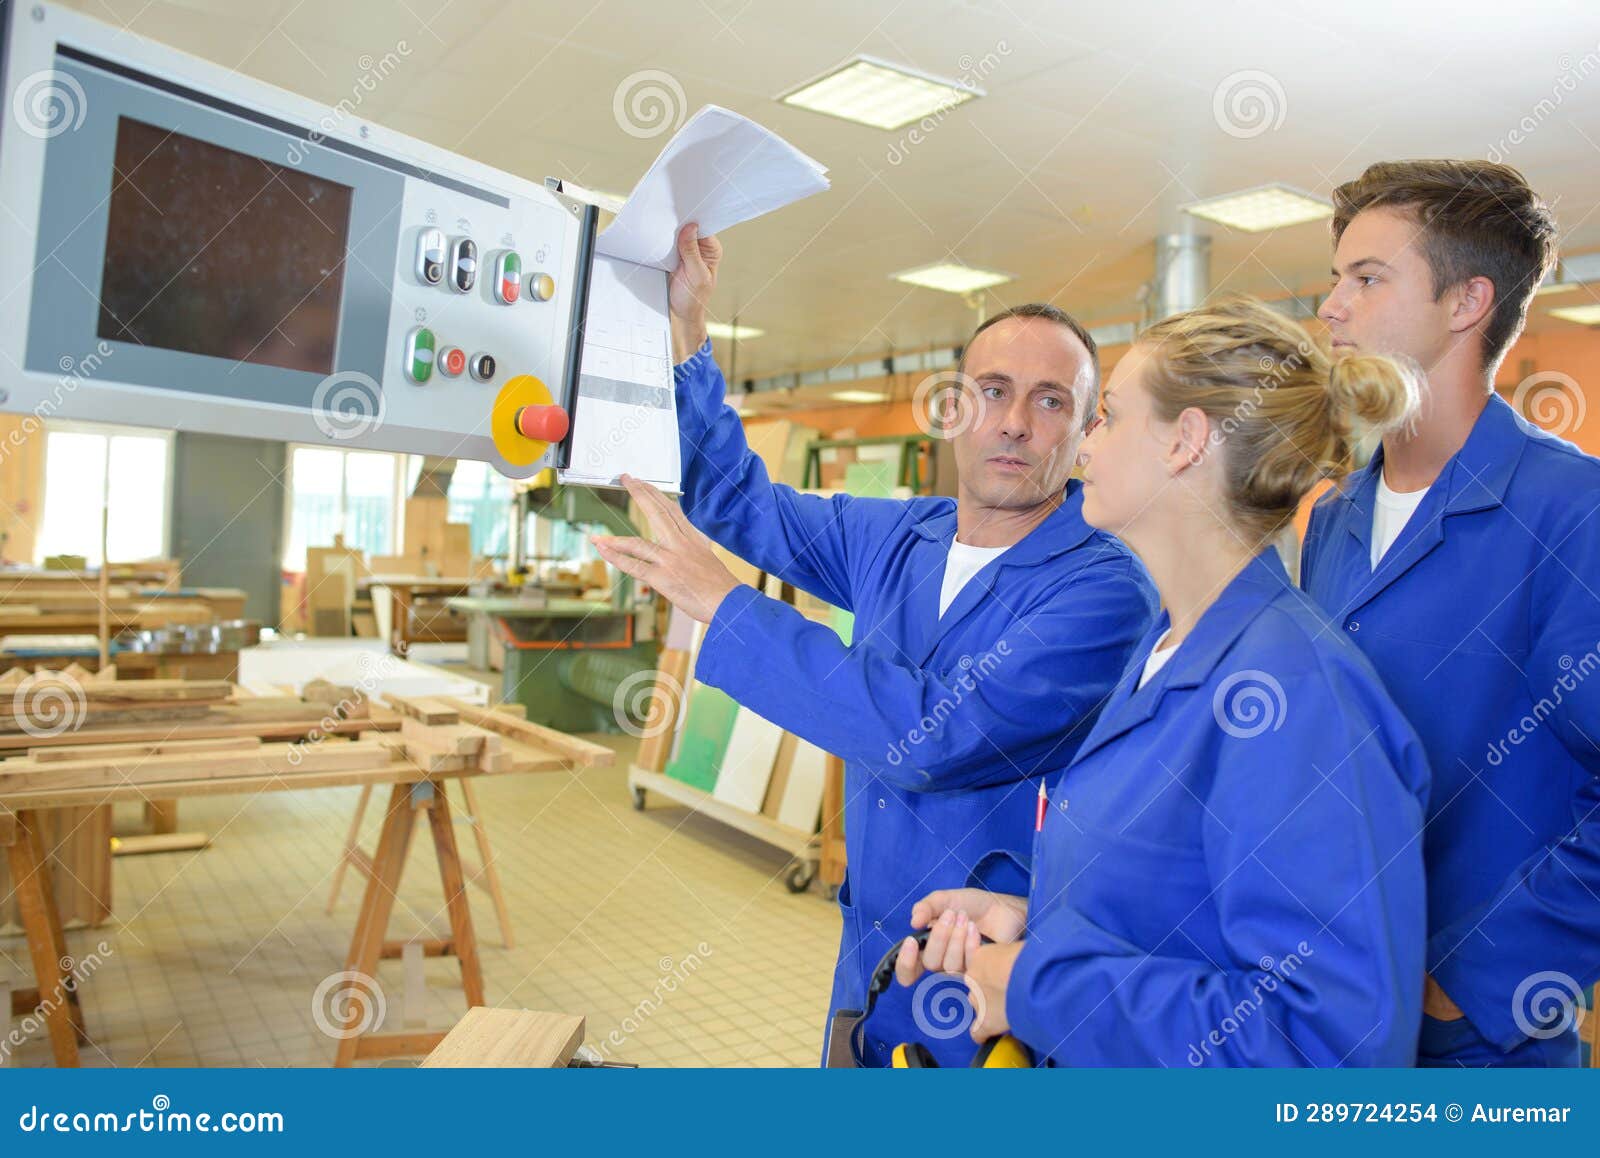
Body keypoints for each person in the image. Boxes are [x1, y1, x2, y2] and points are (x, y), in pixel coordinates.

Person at [592, 224, 1158, 1066]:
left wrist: (728, 606)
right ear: (954, 408)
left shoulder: (1105, 588)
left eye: (1050, 401)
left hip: (991, 972)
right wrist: (688, 331)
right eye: (993, 390)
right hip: (868, 952)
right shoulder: (900, 537)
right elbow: (745, 504)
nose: (1014, 423)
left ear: (1084, 432)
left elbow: (932, 734)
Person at [896, 297, 1432, 1066]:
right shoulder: (1169, 648)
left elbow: (1327, 1049)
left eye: (1108, 416)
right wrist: (1034, 929)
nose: (1086, 444)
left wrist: (1040, 987)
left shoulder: (1296, 698)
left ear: (1184, 442)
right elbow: (1180, 916)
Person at [1303, 160, 1600, 1067]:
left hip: (1475, 1041)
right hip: (1328, 1009)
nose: (1331, 308)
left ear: (1467, 302)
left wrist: (1471, 982)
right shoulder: (1338, 513)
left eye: (1367, 278)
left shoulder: (1571, 512)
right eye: (1334, 280)